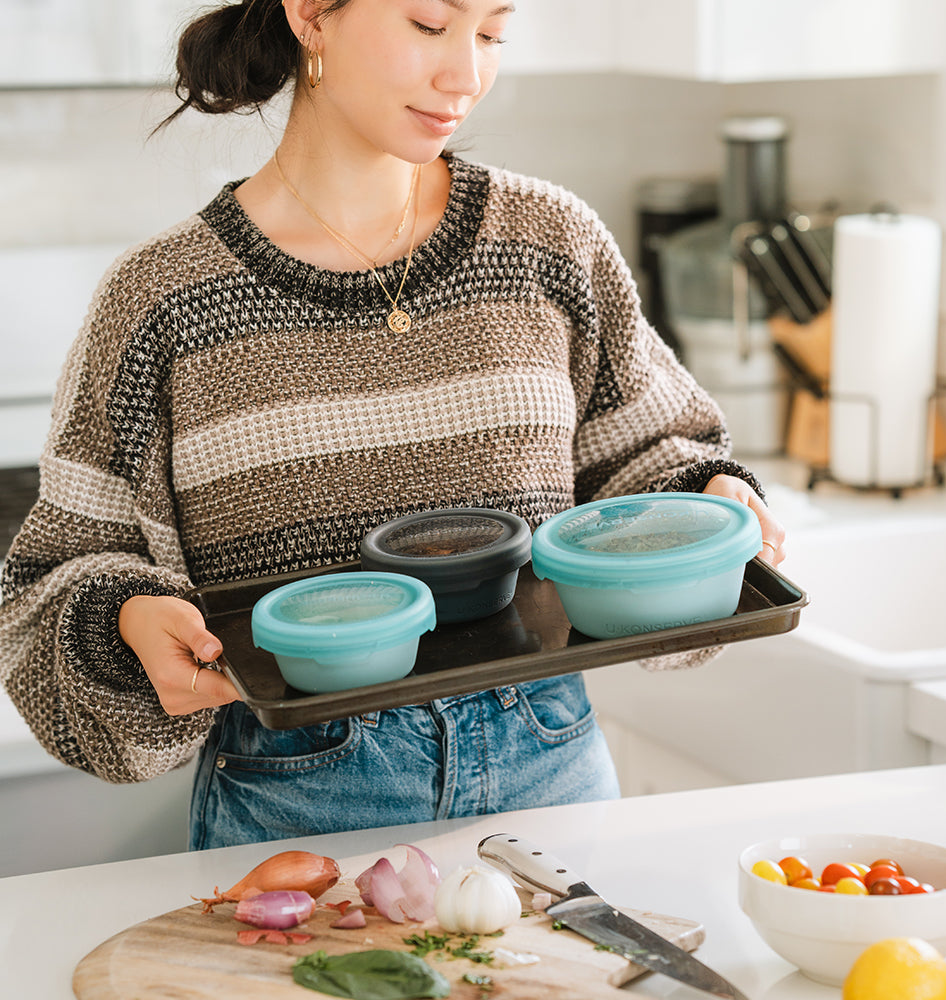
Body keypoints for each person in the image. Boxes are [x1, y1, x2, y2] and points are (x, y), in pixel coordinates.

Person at [0, 0, 785, 850]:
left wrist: (703, 499)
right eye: (427, 24)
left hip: (553, 786)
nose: (468, 75)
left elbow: (642, 460)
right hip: (293, 815)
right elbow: (52, 580)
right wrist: (125, 623)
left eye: (491, 33)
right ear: (311, 15)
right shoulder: (161, 301)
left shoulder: (550, 242)